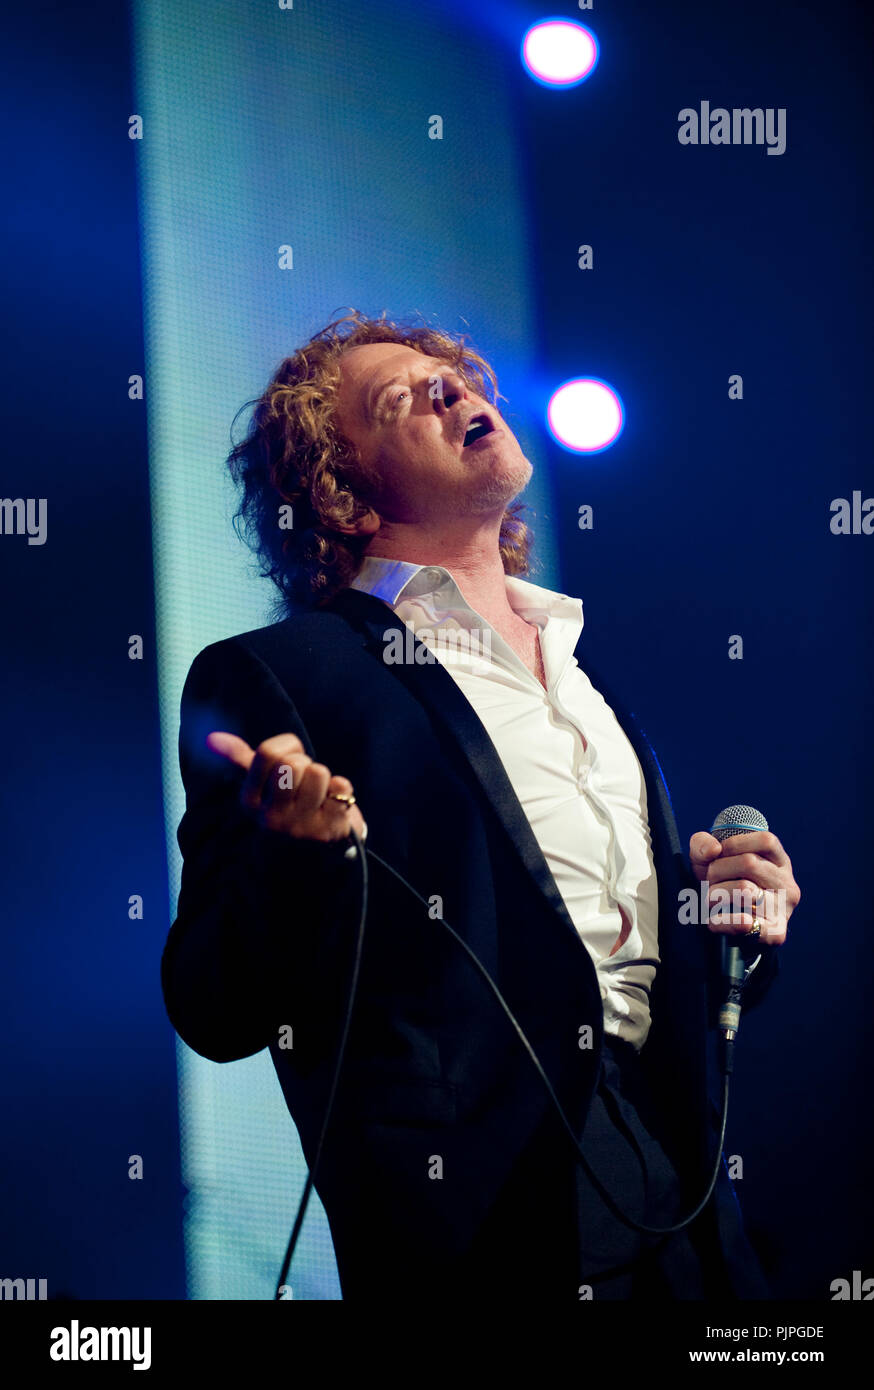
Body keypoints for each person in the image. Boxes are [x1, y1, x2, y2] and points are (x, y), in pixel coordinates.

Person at [161, 310, 800, 1302]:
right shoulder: (284, 676)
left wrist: (733, 928)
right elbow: (210, 1003)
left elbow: (607, 954)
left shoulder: (579, 668)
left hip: (691, 1200)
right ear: (343, 492)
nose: (453, 392)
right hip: (492, 1219)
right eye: (400, 399)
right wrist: (293, 855)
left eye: (451, 376)